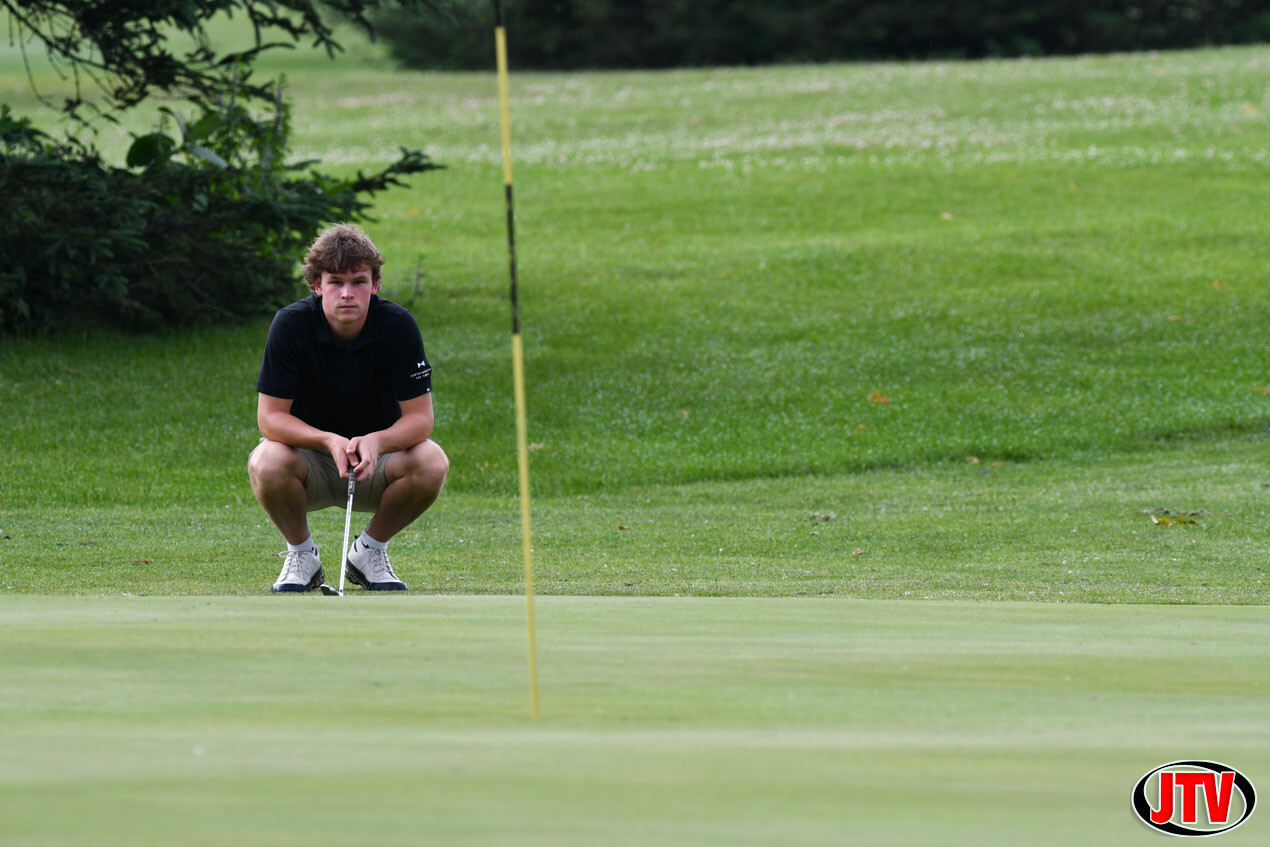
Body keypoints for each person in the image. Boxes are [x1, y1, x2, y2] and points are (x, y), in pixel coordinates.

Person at [247, 223, 448, 592]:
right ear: (317, 284)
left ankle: (369, 551)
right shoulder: (290, 324)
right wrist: (327, 440)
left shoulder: (399, 326)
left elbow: (421, 419)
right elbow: (270, 418)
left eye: (358, 282)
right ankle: (302, 555)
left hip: (379, 464)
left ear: (375, 284)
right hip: (308, 463)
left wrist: (377, 442)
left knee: (432, 461)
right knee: (266, 461)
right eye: (336, 282)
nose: (347, 293)